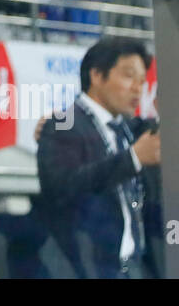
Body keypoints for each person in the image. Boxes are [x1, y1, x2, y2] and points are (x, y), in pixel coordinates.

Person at [37, 37, 160, 278]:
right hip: (86, 267)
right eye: (128, 75)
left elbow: (165, 127)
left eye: (143, 80)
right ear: (96, 75)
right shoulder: (63, 122)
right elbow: (61, 186)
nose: (138, 88)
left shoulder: (127, 127)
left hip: (132, 268)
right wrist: (132, 159)